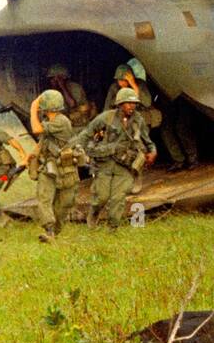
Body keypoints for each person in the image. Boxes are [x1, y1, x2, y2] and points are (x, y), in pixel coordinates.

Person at [74, 87, 157, 227]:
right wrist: (77, 150)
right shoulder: (107, 117)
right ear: (120, 104)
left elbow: (147, 141)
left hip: (125, 166)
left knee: (118, 199)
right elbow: (86, 134)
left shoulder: (138, 120)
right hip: (105, 163)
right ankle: (94, 214)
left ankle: (113, 228)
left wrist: (153, 151)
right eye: (128, 103)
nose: (132, 106)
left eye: (134, 103)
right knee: (101, 197)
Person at [28, 89, 83, 243]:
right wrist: (31, 156)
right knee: (44, 198)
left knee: (64, 204)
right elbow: (43, 140)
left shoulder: (61, 121)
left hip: (64, 167)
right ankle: (49, 231)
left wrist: (33, 110)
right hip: (48, 166)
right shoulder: (51, 122)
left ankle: (55, 231)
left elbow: (36, 129)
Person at [45, 63, 95, 130]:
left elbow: (72, 104)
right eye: (50, 79)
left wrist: (62, 86)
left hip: (78, 125)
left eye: (53, 78)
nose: (51, 81)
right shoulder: (52, 91)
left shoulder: (75, 87)